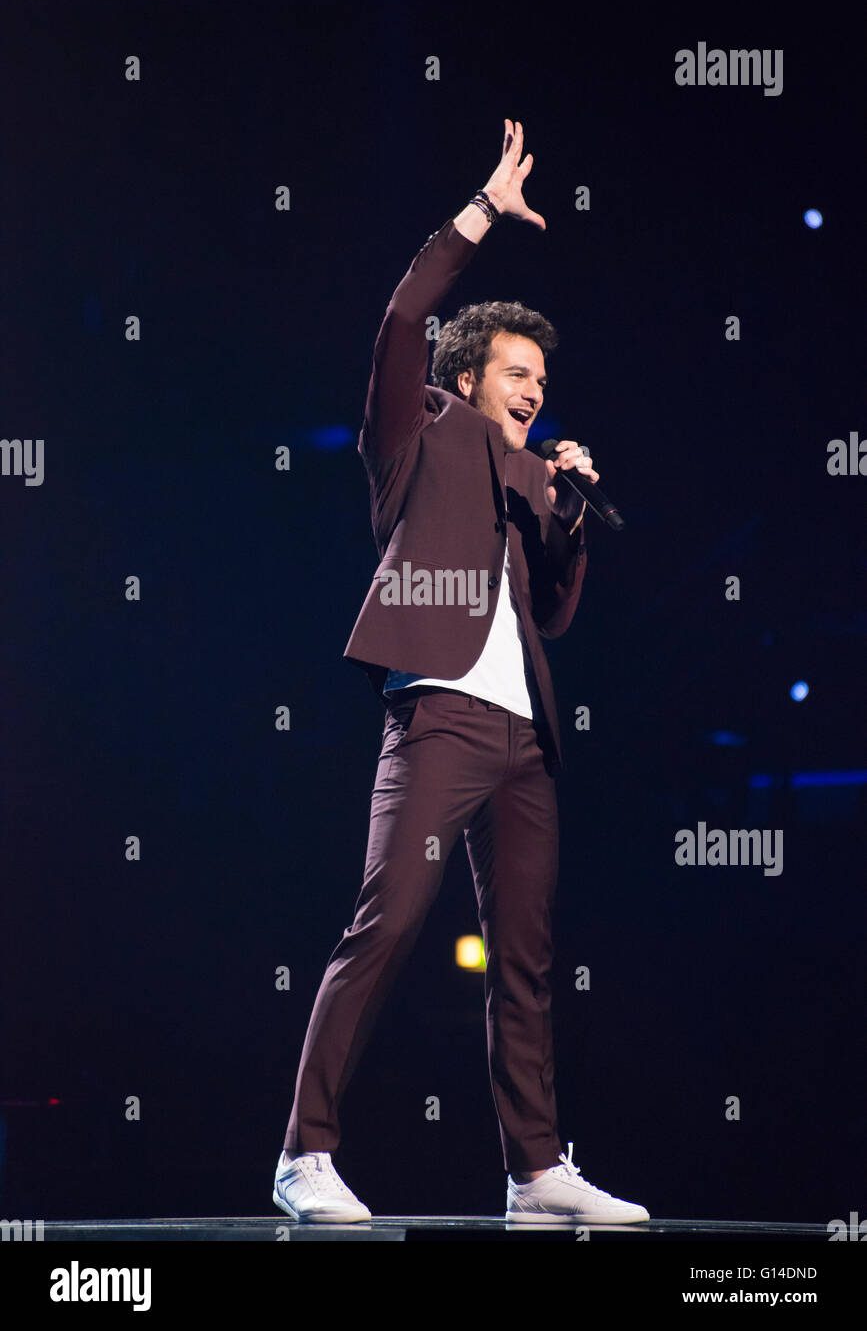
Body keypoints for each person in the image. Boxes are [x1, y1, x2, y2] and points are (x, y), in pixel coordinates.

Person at [273, 120, 649, 1224]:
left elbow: (558, 612)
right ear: (469, 373)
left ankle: (536, 1171)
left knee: (526, 956)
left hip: (523, 731)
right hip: (436, 712)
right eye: (517, 372)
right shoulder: (418, 428)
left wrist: (568, 506)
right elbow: (400, 315)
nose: (535, 389)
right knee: (388, 921)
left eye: (543, 378)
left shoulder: (528, 477)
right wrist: (481, 211)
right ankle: (305, 1152)